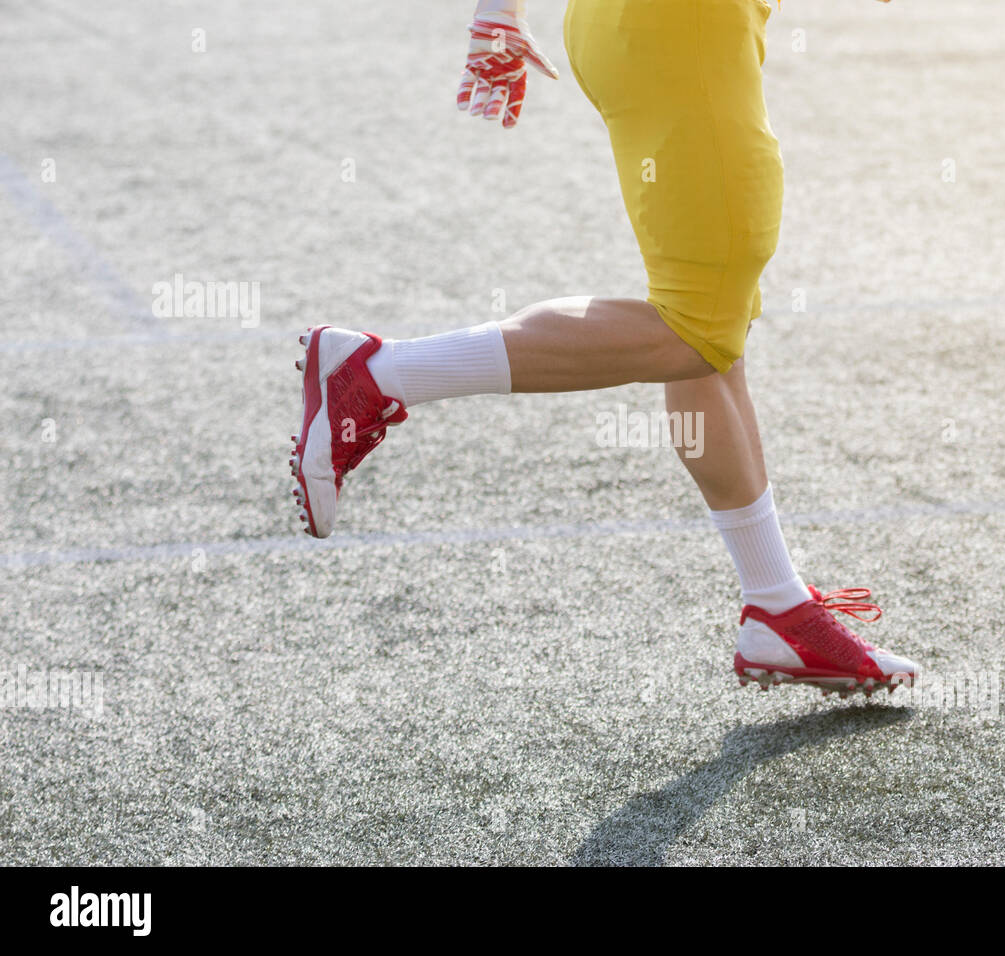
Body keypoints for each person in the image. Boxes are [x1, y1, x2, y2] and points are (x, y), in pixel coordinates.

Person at [289, 0, 918, 697]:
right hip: (683, 34)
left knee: (712, 327)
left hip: (636, 30)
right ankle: (378, 373)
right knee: (693, 326)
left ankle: (777, 607)